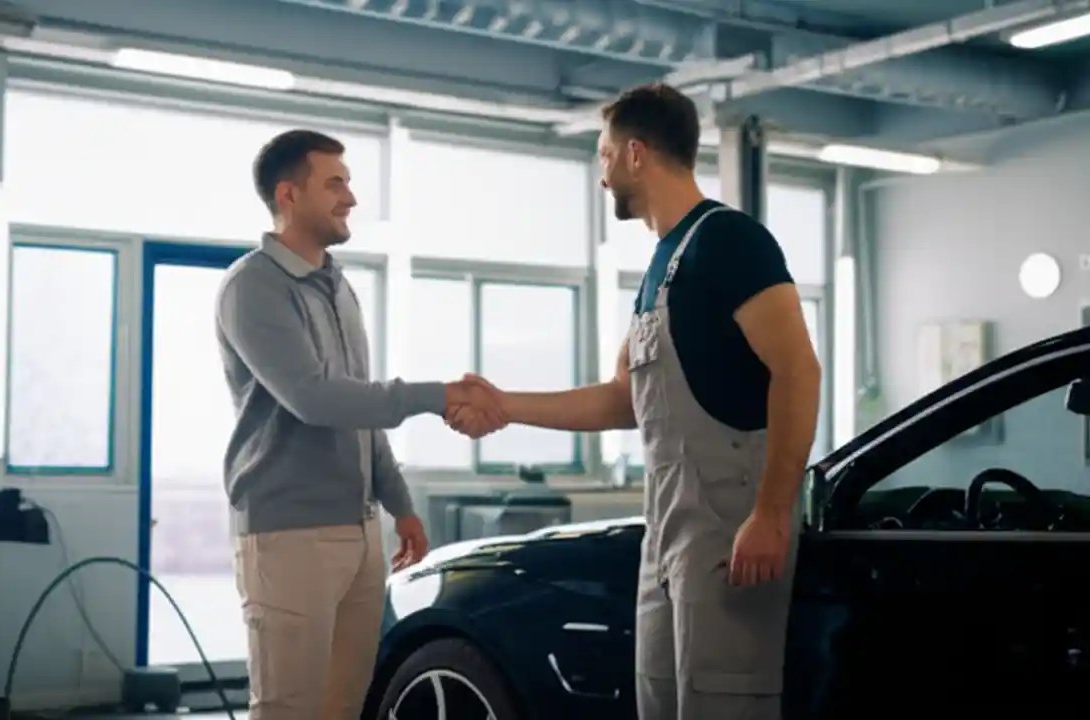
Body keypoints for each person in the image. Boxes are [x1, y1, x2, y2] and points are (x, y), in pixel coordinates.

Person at [450, 83, 821, 719]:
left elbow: (799, 372)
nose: (601, 178)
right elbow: (624, 401)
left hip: (731, 523)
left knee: (723, 705)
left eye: (603, 157)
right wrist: (506, 404)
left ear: (636, 155)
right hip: (667, 524)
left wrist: (772, 514)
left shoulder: (728, 242)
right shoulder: (661, 267)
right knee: (658, 701)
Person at [215, 129, 502, 720]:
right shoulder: (252, 287)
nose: (350, 198)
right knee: (289, 709)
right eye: (335, 183)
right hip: (288, 536)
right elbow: (316, 400)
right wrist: (440, 394)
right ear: (289, 194)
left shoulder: (337, 285)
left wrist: (400, 504)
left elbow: (361, 410)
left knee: (345, 706)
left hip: (358, 532)